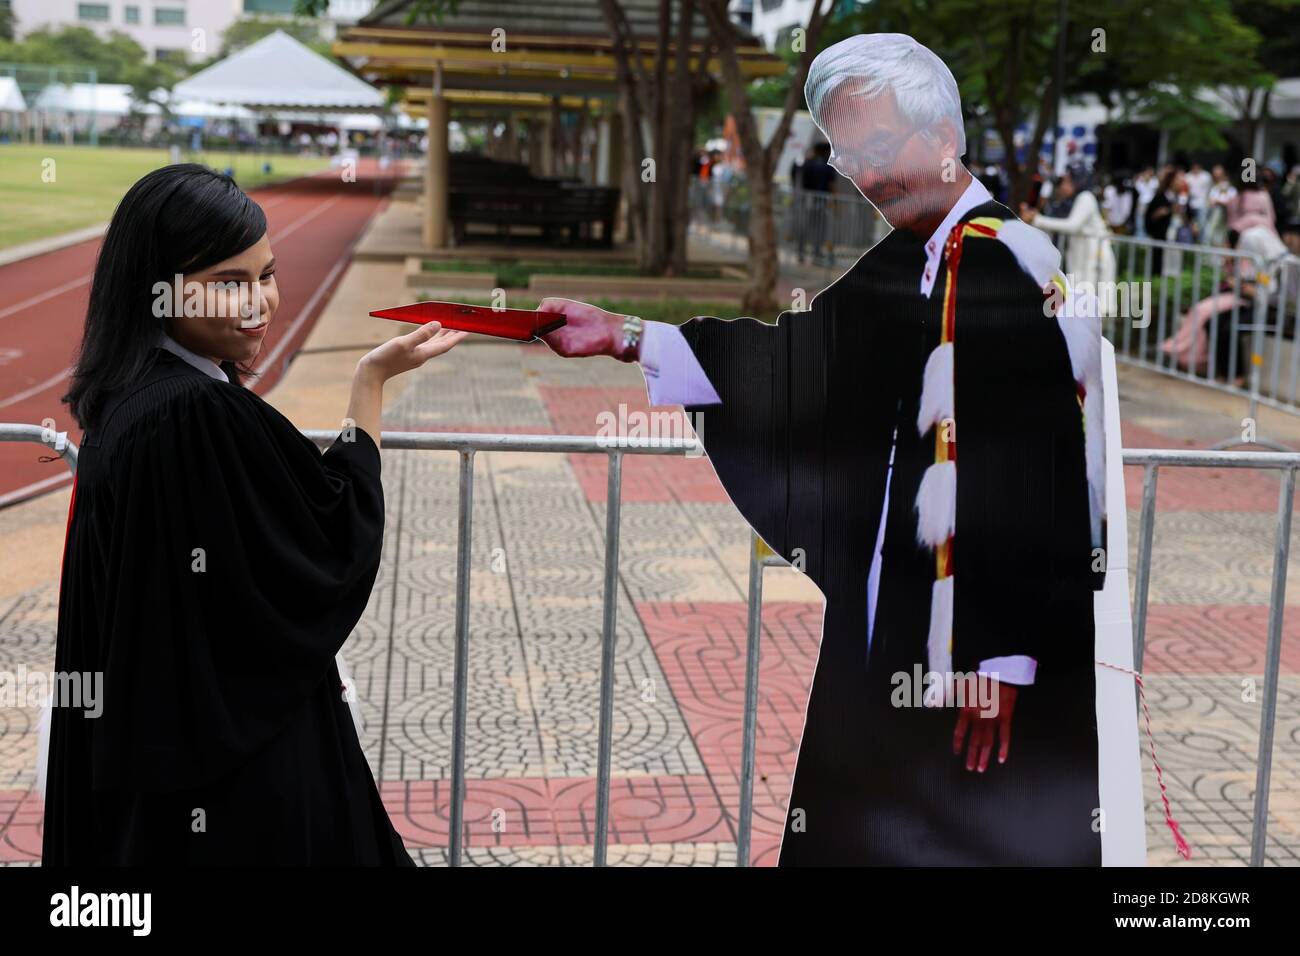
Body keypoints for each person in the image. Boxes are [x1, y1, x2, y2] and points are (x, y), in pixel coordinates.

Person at [541, 33, 1109, 865]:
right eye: (849, 157)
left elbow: (1035, 468)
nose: (866, 177)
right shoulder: (916, 259)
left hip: (971, 656)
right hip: (895, 624)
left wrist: (999, 658)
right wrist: (623, 335)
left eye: (878, 149)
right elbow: (792, 362)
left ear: (943, 138)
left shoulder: (1000, 266)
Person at [42, 164, 467, 865]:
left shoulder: (133, 397)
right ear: (158, 289)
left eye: (265, 274)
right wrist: (370, 384)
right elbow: (328, 542)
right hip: (235, 780)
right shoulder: (194, 413)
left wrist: (368, 377)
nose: (258, 302)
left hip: (164, 769)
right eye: (227, 283)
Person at [1022, 170, 1117, 288]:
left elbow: (1073, 225)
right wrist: (1033, 217)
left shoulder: (1086, 197)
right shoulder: (1068, 201)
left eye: (1067, 181)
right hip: (1081, 260)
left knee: (1099, 296)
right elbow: (1054, 220)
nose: (1062, 185)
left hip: (1095, 259)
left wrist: (1037, 220)